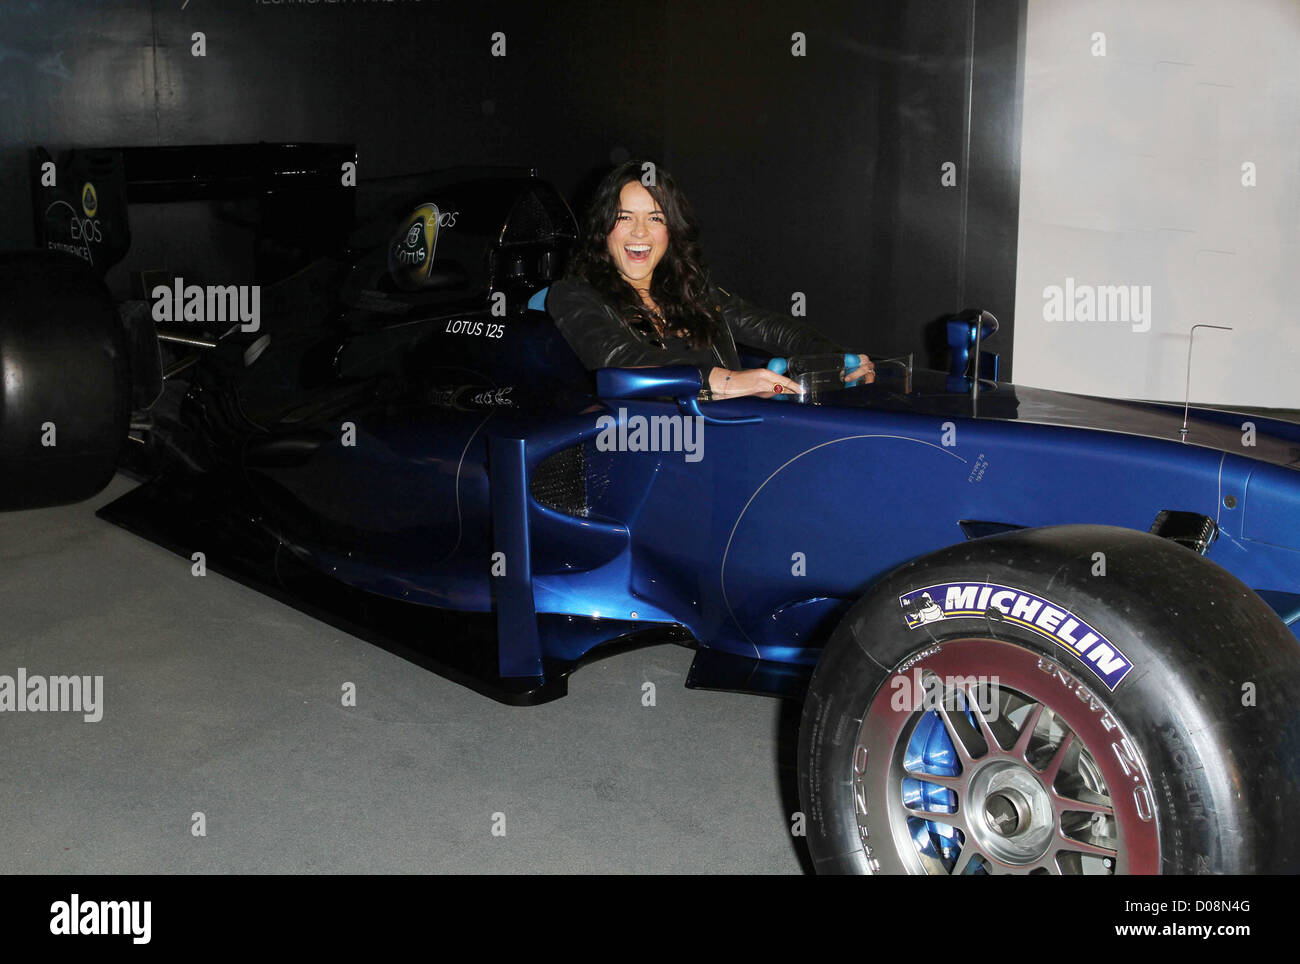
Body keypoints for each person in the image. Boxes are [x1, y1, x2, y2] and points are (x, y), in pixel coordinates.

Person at [548, 160, 874, 398]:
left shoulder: (694, 290)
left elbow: (777, 330)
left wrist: (832, 363)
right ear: (603, 227)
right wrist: (731, 381)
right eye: (624, 217)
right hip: (644, 448)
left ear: (671, 231)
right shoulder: (571, 294)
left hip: (726, 439)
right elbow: (621, 359)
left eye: (655, 218)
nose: (639, 232)